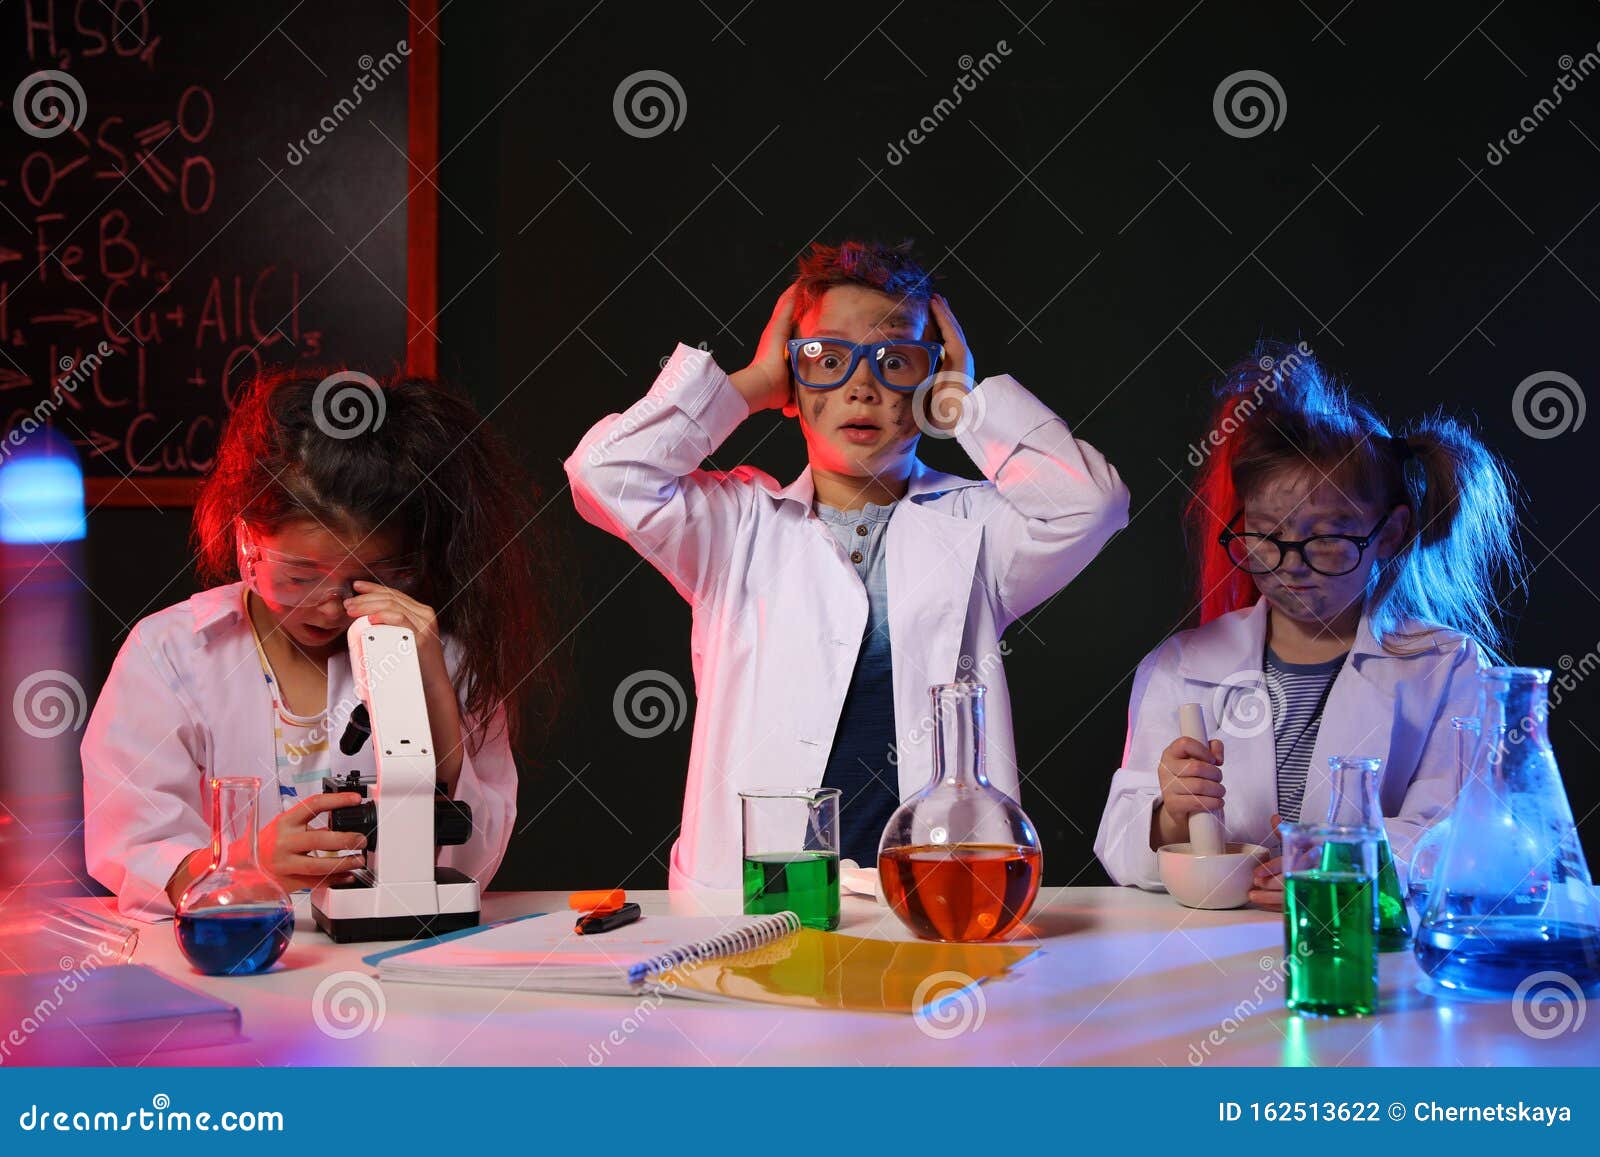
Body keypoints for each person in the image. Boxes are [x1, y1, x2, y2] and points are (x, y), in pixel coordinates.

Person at [566, 238, 1129, 886]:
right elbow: (601, 473)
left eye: (896, 360)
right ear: (793, 377)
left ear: (931, 379)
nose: (861, 384)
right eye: (827, 358)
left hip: (930, 898)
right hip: (758, 904)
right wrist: (746, 388)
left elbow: (1094, 504)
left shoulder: (978, 528)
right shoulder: (734, 526)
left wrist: (968, 404)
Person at [82, 369, 561, 920]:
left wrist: (431, 683)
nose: (330, 606)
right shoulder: (171, 654)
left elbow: (470, 860)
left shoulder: (437, 650)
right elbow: (133, 846)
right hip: (236, 953)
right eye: (300, 576)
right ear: (247, 540)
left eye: (367, 577)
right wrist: (243, 864)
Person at [1094, 342, 1522, 907]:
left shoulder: (1447, 666)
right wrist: (1171, 816)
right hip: (1211, 947)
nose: (1291, 565)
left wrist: (1325, 860)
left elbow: (1459, 837)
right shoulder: (1182, 664)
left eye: (1325, 539)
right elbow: (1120, 844)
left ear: (1389, 533)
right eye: (1267, 537)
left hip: (1365, 945)